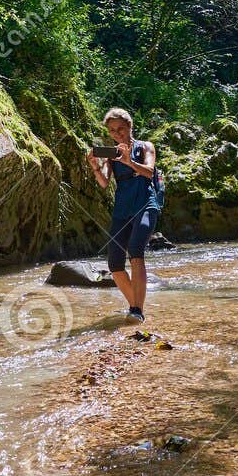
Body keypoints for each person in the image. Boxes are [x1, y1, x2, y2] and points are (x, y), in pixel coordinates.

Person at [86, 107, 160, 322]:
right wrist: (95, 167)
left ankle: (137, 311)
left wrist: (129, 161)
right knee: (115, 265)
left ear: (130, 127)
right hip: (122, 210)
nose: (117, 134)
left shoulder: (145, 146)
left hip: (145, 204)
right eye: (112, 130)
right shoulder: (111, 156)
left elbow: (149, 172)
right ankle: (134, 307)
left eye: (120, 129)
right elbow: (104, 183)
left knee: (136, 250)